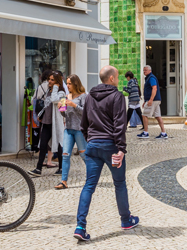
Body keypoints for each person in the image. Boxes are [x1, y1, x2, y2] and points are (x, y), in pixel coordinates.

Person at [74, 66, 139, 241]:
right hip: (111, 146)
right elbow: (120, 124)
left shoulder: (89, 97)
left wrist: (91, 140)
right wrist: (121, 148)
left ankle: (80, 226)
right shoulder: (117, 96)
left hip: (93, 146)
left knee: (89, 186)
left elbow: (83, 124)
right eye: (117, 77)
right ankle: (126, 220)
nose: (118, 80)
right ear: (111, 78)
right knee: (119, 183)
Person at [56, 74, 87, 190]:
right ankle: (63, 181)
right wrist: (60, 109)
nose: (67, 86)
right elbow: (64, 114)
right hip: (68, 129)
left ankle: (91, 178)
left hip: (79, 130)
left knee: (84, 155)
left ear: (75, 84)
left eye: (69, 83)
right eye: (67, 83)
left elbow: (86, 113)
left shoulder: (83, 96)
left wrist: (74, 105)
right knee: (65, 155)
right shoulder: (66, 96)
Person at [31, 71, 65, 175]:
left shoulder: (62, 93)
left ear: (57, 82)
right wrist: (41, 115)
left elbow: (59, 104)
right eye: (49, 79)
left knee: (59, 145)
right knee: (43, 145)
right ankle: (38, 169)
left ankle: (61, 168)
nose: (49, 81)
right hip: (46, 122)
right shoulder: (48, 91)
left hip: (56, 124)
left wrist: (55, 88)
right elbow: (46, 105)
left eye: (52, 80)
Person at [139, 65, 167, 139]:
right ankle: (163, 133)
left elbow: (154, 88)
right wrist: (145, 101)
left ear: (149, 70)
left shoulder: (151, 78)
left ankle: (145, 133)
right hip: (156, 100)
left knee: (144, 115)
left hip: (153, 100)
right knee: (158, 116)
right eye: (143, 70)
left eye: (145, 70)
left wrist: (150, 100)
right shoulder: (149, 78)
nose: (144, 71)